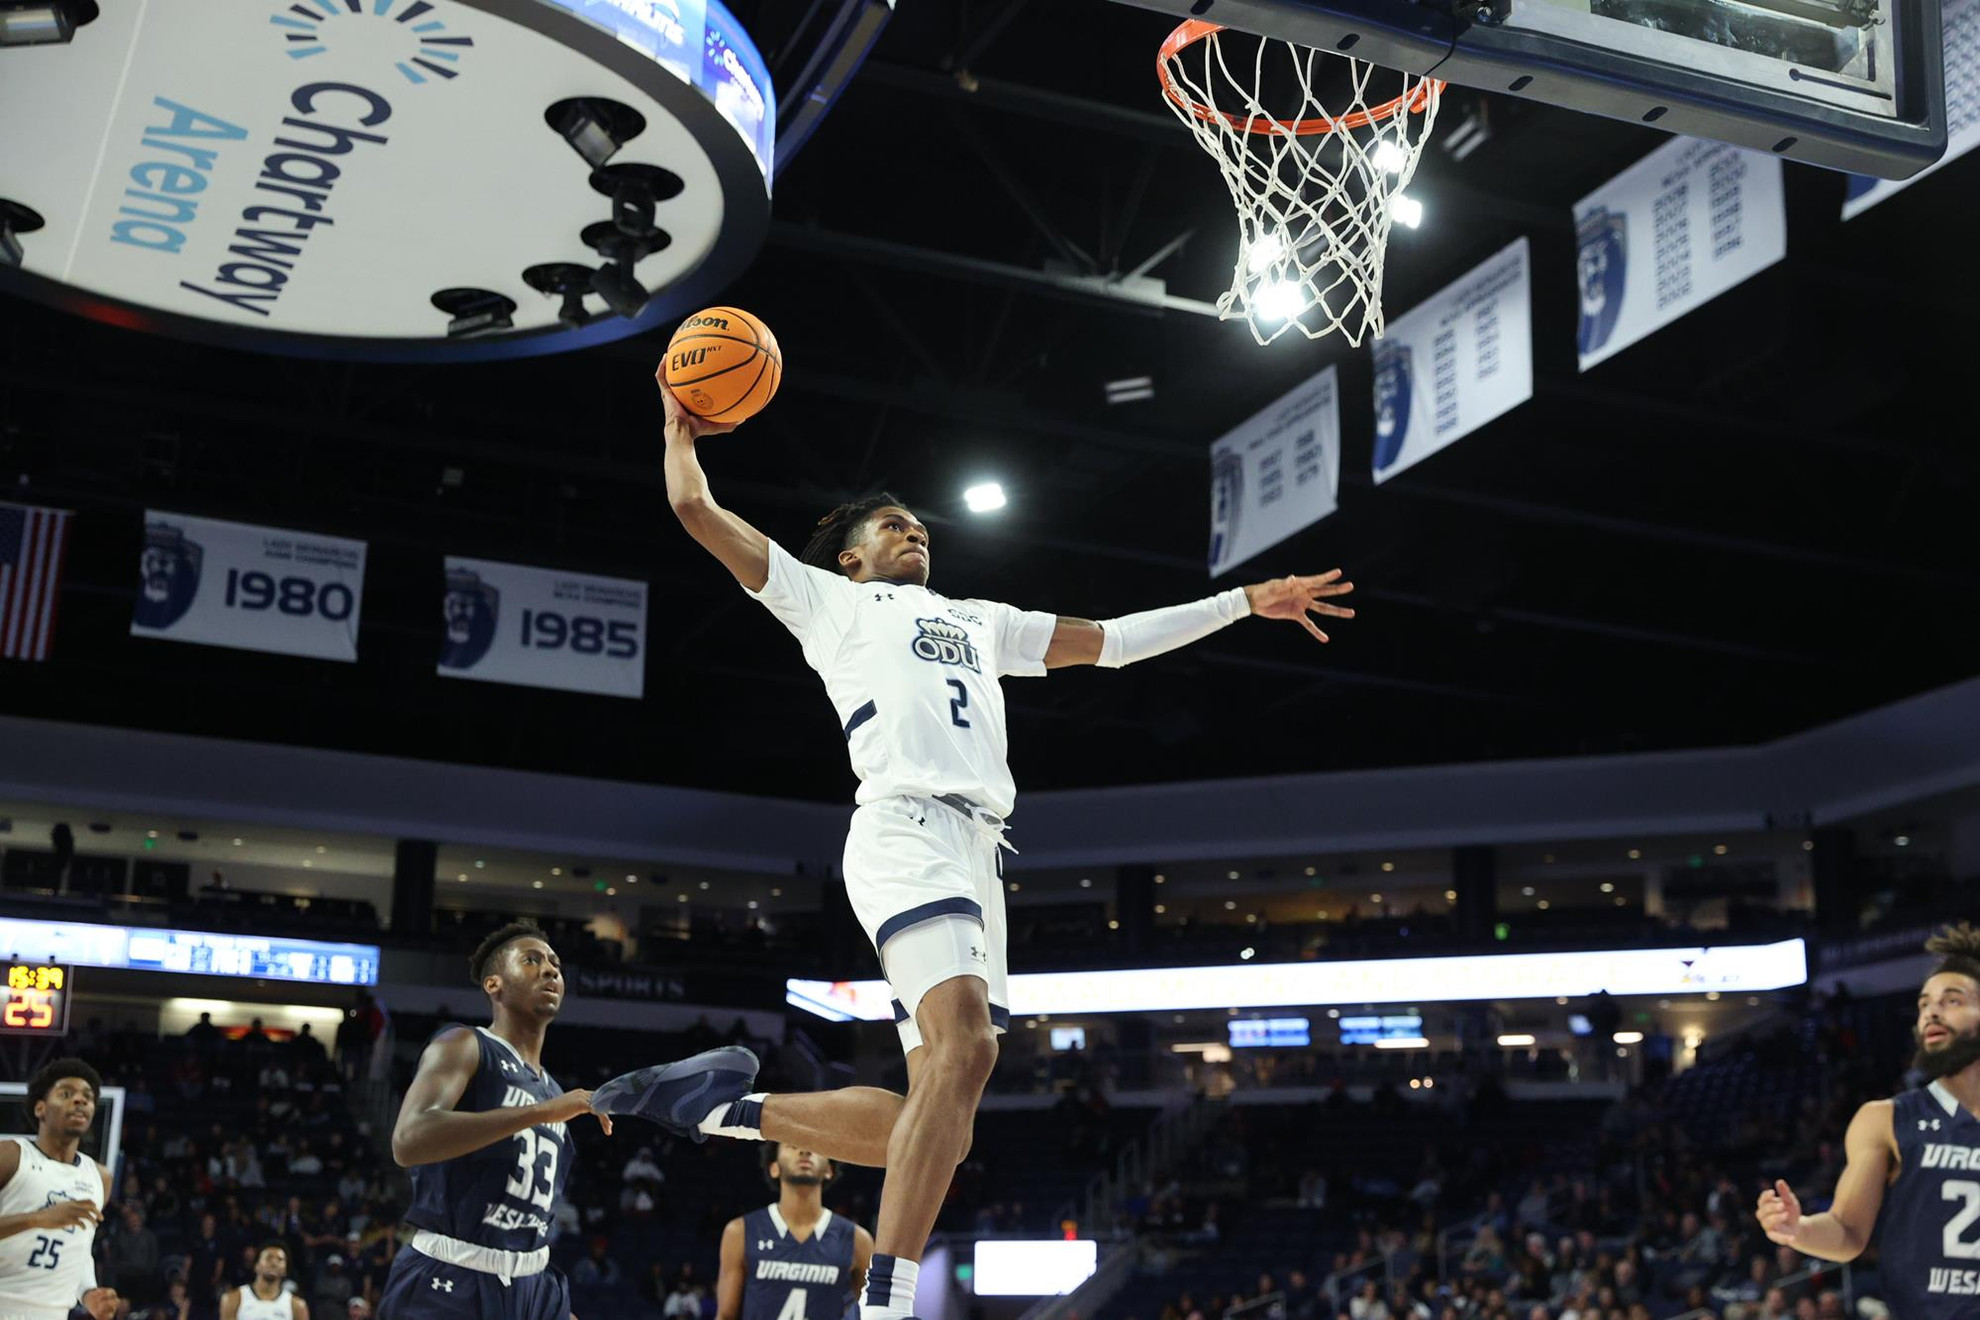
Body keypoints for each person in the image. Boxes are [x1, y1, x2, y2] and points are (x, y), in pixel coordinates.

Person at [598, 373, 1356, 1320]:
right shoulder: (828, 603)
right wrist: (681, 430)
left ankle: (719, 1109)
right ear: (851, 559)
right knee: (966, 1047)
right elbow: (694, 508)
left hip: (979, 852)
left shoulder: (980, 620)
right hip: (905, 828)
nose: (914, 532)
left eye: (920, 525)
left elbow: (1115, 641)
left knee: (944, 1122)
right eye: (892, 527)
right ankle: (887, 1304)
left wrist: (1244, 601)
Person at [379, 922, 741, 1320]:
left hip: (532, 1286)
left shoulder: (553, 1092)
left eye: (555, 964)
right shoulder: (466, 1045)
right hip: (451, 1276)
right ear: (494, 984)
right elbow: (408, 1141)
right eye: (531, 961)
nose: (550, 969)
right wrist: (542, 1113)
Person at [1756, 922, 1980, 1317]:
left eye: (1952, 1001)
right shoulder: (1886, 1119)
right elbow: (1848, 1232)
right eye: (1924, 1005)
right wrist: (1799, 1229)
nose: (1931, 1013)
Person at [0, 1057, 121, 1320]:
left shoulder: (100, 1177)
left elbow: (77, 1248)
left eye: (87, 1097)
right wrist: (36, 1219)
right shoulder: (9, 1156)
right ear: (40, 1108)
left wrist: (88, 1292)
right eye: (66, 1094)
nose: (80, 1101)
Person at [717, 1144, 872, 1320]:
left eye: (814, 1146)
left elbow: (871, 1315)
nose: (804, 1150)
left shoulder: (858, 1240)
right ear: (774, 1168)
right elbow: (725, 1316)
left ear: (829, 1170)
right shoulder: (740, 1232)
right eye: (793, 1145)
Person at [223, 1243, 308, 1320]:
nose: (274, 1263)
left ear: (285, 1270)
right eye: (268, 1258)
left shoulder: (297, 1306)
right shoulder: (234, 1299)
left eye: (280, 1259)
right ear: (256, 1266)